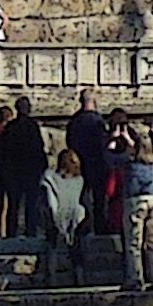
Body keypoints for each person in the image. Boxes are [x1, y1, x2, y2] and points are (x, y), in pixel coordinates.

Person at [0, 96, 52, 251]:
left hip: (14, 171)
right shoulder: (32, 126)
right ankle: (29, 231)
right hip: (28, 170)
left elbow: (3, 150)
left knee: (14, 203)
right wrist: (42, 167)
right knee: (30, 204)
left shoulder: (11, 128)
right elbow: (38, 148)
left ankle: (12, 233)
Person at [62, 91, 116, 274]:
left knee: (83, 199)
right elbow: (104, 143)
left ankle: (84, 227)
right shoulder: (99, 121)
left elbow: (69, 142)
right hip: (98, 164)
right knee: (100, 200)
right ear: (95, 101)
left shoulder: (74, 121)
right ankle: (100, 227)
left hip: (80, 164)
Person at [116, 122, 153, 291]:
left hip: (135, 200)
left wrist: (118, 137)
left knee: (133, 242)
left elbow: (109, 155)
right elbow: (140, 147)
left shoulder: (129, 162)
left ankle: (135, 278)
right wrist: (131, 139)